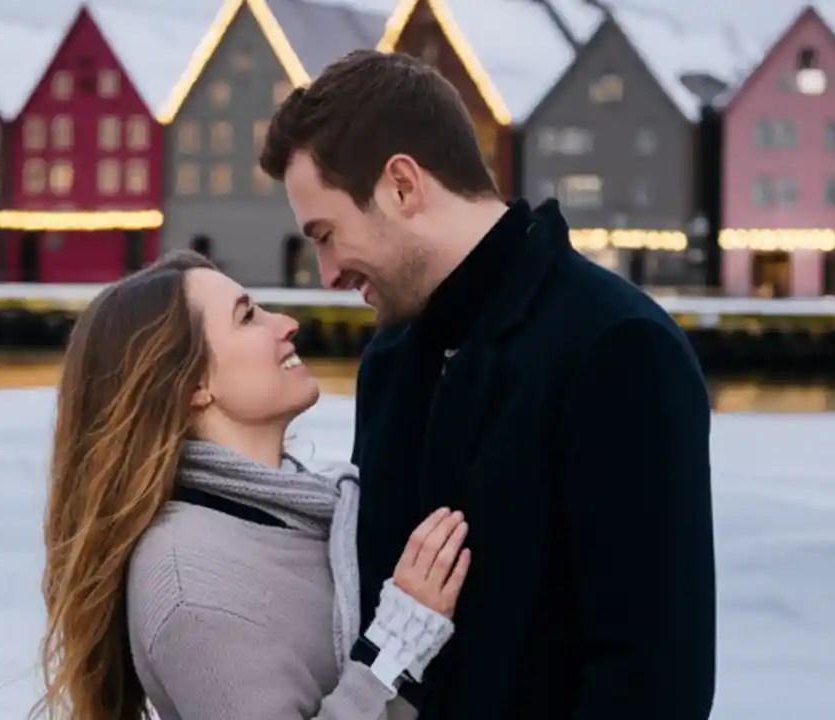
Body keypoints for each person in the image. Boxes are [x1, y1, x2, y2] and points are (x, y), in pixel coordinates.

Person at [259, 49, 717, 719]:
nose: (326, 272)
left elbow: (653, 679)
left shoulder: (617, 346)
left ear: (402, 187)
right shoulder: (389, 360)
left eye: (327, 235)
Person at [31, 251, 473, 720]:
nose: (285, 323)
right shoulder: (190, 586)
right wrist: (397, 645)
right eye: (247, 317)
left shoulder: (297, 510)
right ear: (193, 385)